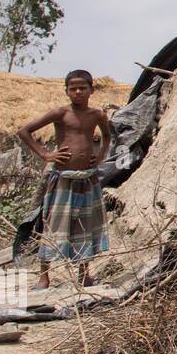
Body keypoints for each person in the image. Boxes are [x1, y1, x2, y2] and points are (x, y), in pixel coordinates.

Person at [16, 70, 112, 288]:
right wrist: (45, 155)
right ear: (67, 91)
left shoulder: (97, 115)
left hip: (87, 178)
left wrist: (100, 156)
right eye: (73, 88)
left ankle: (84, 274)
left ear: (91, 90)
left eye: (82, 88)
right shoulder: (61, 113)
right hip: (63, 178)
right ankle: (44, 276)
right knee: (53, 224)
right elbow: (24, 131)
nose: (78, 92)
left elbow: (107, 136)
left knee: (84, 225)